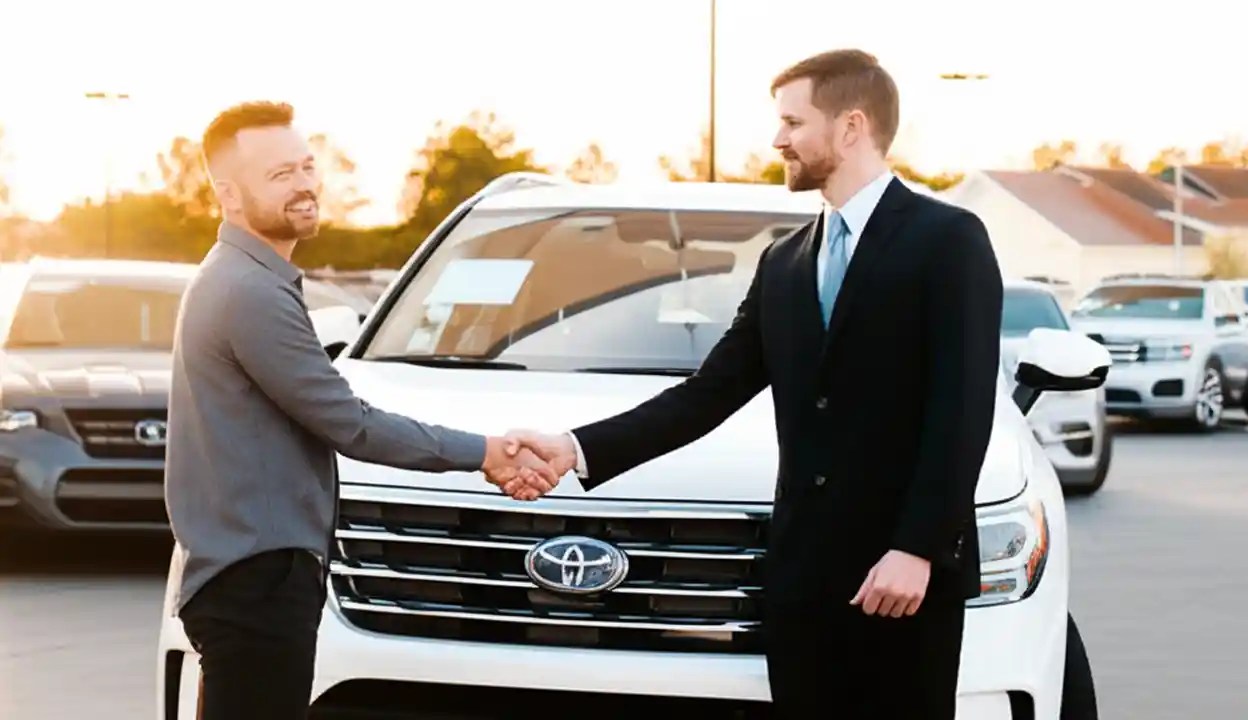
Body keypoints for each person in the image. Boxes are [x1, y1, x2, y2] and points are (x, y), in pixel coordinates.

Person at [503, 49, 1003, 718]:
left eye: (793, 122)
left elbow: (961, 409)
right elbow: (706, 394)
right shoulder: (785, 262)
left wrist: (916, 548)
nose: (777, 140)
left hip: (902, 580)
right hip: (801, 585)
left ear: (851, 127)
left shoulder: (950, 240)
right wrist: (574, 448)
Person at [163, 101, 555, 720]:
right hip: (257, 583)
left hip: (249, 576)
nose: (304, 185)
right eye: (279, 175)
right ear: (229, 196)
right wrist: (486, 452)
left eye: (306, 167)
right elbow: (351, 424)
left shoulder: (242, 280)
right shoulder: (248, 292)